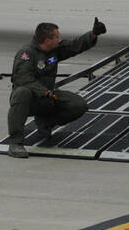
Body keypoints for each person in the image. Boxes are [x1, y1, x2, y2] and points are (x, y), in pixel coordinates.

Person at [6, 18, 106, 159]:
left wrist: (93, 34)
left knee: (78, 105)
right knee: (22, 92)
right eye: (56, 37)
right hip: (31, 100)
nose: (59, 39)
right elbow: (24, 79)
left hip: (47, 97)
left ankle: (45, 121)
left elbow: (73, 46)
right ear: (47, 40)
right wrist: (44, 92)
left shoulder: (54, 51)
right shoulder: (27, 54)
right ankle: (15, 143)